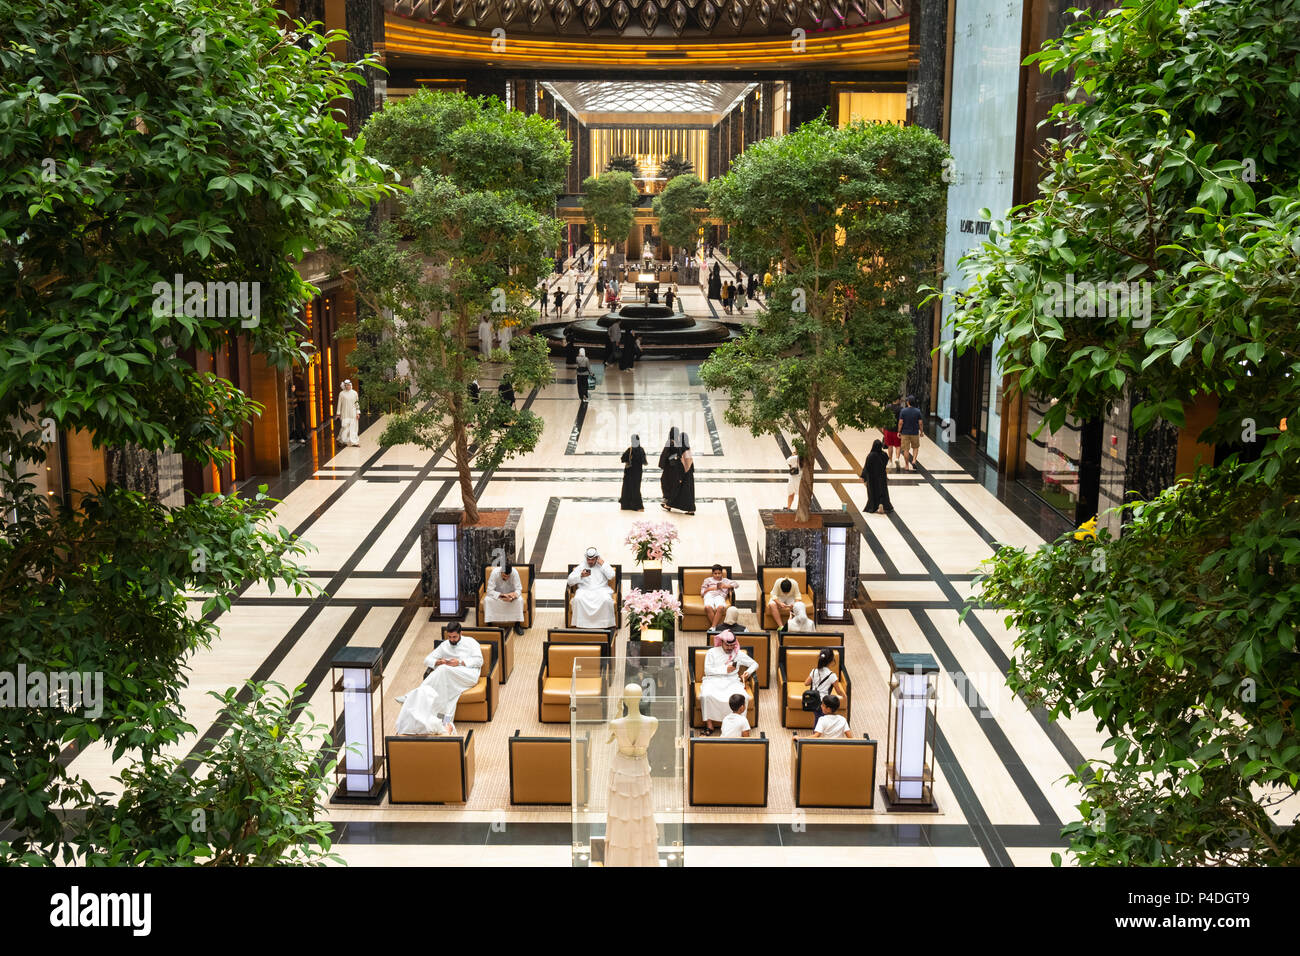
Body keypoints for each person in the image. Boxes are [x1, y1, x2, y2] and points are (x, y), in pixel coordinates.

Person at [393, 622, 483, 736]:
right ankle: (444, 721)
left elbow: (479, 661)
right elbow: (427, 660)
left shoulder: (470, 642)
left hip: (468, 674)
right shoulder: (445, 645)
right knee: (444, 690)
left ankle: (412, 696)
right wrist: (438, 661)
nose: (452, 640)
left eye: (454, 637)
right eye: (449, 637)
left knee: (443, 670)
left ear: (461, 633)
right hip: (450, 676)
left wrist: (460, 662)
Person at [699, 630, 757, 735]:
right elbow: (707, 671)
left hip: (732, 681)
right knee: (705, 696)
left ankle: (740, 725)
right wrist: (725, 669)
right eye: (727, 645)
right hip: (713, 680)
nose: (730, 648)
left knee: (744, 696)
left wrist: (747, 673)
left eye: (732, 645)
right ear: (721, 642)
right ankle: (709, 726)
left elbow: (755, 664)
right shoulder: (712, 652)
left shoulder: (737, 653)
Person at [566, 547, 616, 628]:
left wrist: (603, 564)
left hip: (601, 590)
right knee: (578, 599)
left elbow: (611, 575)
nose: (590, 561)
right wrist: (580, 575)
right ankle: (581, 624)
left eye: (592, 559)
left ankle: (605, 624)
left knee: (606, 600)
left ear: (597, 558)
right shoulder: (582, 566)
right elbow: (569, 581)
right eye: (588, 559)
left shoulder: (602, 565)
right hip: (585, 590)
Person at [484, 559, 526, 635]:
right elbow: (489, 591)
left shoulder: (515, 573)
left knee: (519, 600)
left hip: (510, 596)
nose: (506, 578)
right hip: (498, 595)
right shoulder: (494, 573)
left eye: (508, 576)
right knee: (487, 600)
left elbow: (519, 589)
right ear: (501, 572)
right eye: (504, 576)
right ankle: (490, 624)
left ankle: (517, 625)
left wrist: (513, 596)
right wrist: (502, 595)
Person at [803, 647, 847, 715]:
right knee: (822, 719)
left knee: (818, 718)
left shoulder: (814, 671)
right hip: (824, 703)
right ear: (831, 661)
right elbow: (838, 692)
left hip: (814, 700)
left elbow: (806, 683)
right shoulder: (832, 675)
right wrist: (845, 696)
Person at [659, 429, 694, 514]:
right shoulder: (687, 448)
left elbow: (681, 462)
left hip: (683, 474)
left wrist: (680, 475)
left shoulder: (681, 448)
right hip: (688, 474)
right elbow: (690, 463)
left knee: (678, 490)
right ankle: (671, 505)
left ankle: (669, 505)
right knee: (685, 492)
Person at [700, 563, 738, 630]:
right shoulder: (707, 580)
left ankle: (713, 627)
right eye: (715, 573)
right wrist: (711, 588)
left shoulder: (725, 580)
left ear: (721, 573)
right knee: (707, 607)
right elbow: (702, 593)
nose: (717, 575)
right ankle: (717, 628)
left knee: (720, 607)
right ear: (712, 573)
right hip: (709, 595)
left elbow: (736, 585)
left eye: (719, 573)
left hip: (720, 596)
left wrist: (725, 586)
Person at [862, 438, 894, 515]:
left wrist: (864, 477)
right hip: (882, 476)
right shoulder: (884, 455)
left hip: (872, 478)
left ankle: (873, 506)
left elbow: (867, 467)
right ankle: (883, 504)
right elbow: (886, 463)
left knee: (873, 491)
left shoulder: (871, 455)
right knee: (883, 491)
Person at [619, 435, 647, 511]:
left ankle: (626, 505)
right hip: (637, 473)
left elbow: (622, 459)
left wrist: (629, 459)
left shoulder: (630, 449)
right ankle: (637, 505)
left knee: (627, 488)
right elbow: (644, 462)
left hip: (629, 473)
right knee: (636, 488)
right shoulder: (641, 450)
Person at [898, 394, 924, 471]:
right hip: (915, 433)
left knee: (906, 450)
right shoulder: (918, 411)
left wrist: (899, 431)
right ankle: (914, 460)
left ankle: (906, 465)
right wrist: (921, 431)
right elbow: (920, 423)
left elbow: (900, 422)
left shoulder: (903, 411)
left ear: (908, 402)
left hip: (905, 433)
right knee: (915, 447)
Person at [336, 379, 360, 446]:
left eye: (349, 385)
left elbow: (357, 403)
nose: (347, 386)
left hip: (353, 413)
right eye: (346, 385)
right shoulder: (341, 394)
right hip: (345, 413)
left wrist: (358, 412)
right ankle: (342, 441)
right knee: (345, 427)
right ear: (344, 386)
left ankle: (354, 442)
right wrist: (338, 414)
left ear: (351, 385)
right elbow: (339, 404)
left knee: (353, 428)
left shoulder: (354, 393)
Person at [882, 395, 903, 469]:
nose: (900, 401)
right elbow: (901, 421)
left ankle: (890, 461)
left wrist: (883, 427)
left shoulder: (887, 407)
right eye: (900, 399)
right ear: (897, 400)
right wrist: (900, 430)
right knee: (898, 446)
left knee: (890, 445)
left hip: (888, 429)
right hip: (896, 430)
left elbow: (884, 417)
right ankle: (897, 458)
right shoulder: (901, 409)